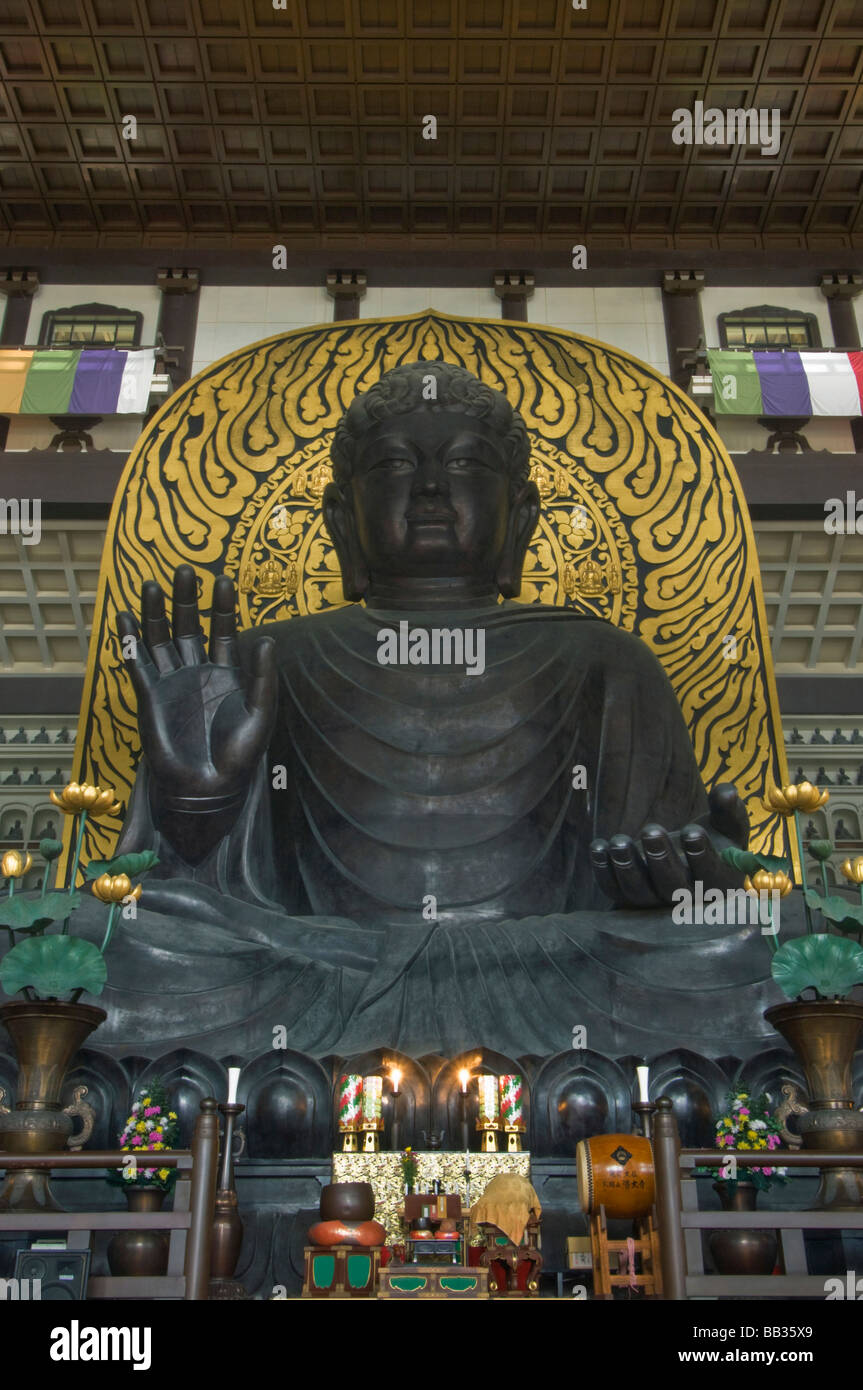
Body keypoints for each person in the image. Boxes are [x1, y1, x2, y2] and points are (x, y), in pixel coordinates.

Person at [73, 363, 788, 1059]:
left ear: (523, 514)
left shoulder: (603, 658)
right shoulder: (265, 659)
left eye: (468, 465)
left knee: (753, 934)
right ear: (339, 517)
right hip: (317, 964)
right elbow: (166, 885)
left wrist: (694, 883)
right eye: (390, 466)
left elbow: (649, 871)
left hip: (549, 969)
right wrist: (198, 811)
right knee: (122, 931)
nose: (431, 488)